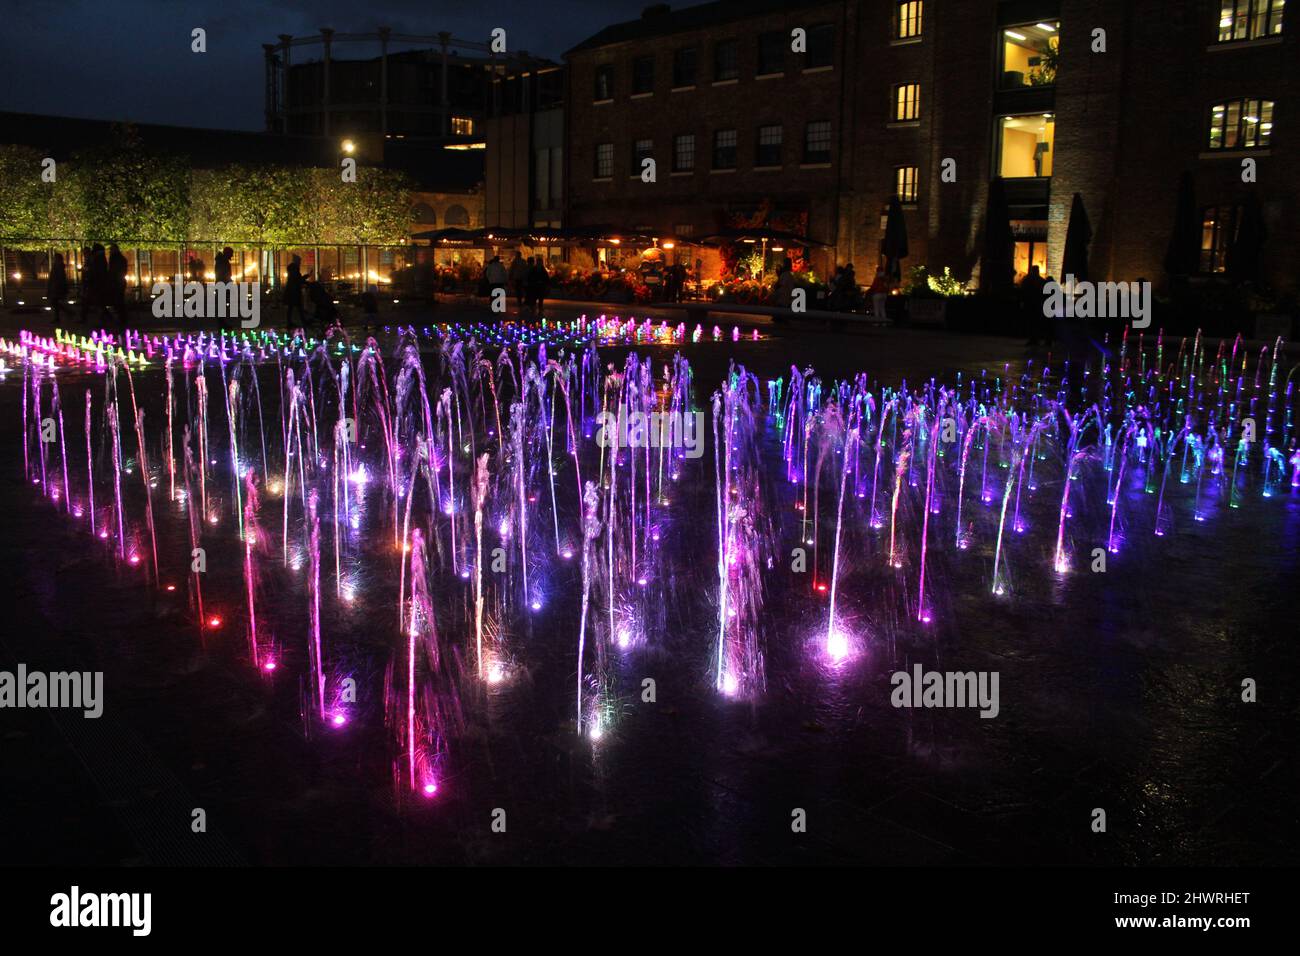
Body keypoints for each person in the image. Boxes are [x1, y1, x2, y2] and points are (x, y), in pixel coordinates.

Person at [1021, 264, 1049, 346]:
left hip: (1031, 304)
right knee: (1036, 323)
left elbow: (1023, 291)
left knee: (1031, 323)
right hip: (1037, 304)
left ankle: (1033, 339)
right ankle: (1035, 339)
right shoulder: (1041, 281)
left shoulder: (1027, 280)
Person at [47, 252, 69, 325]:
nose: (54, 259)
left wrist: (56, 286)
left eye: (55, 258)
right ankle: (61, 315)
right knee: (55, 302)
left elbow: (59, 277)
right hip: (55, 286)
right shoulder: (57, 265)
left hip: (56, 287)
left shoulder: (58, 266)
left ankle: (63, 314)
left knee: (54, 302)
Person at [284, 255, 305, 330]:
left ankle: (289, 322)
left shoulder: (292, 269)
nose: (300, 263)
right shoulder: (295, 269)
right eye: (299, 261)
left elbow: (296, 279)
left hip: (291, 292)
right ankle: (303, 321)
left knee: (291, 308)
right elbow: (298, 280)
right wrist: (305, 278)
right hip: (294, 292)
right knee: (298, 307)